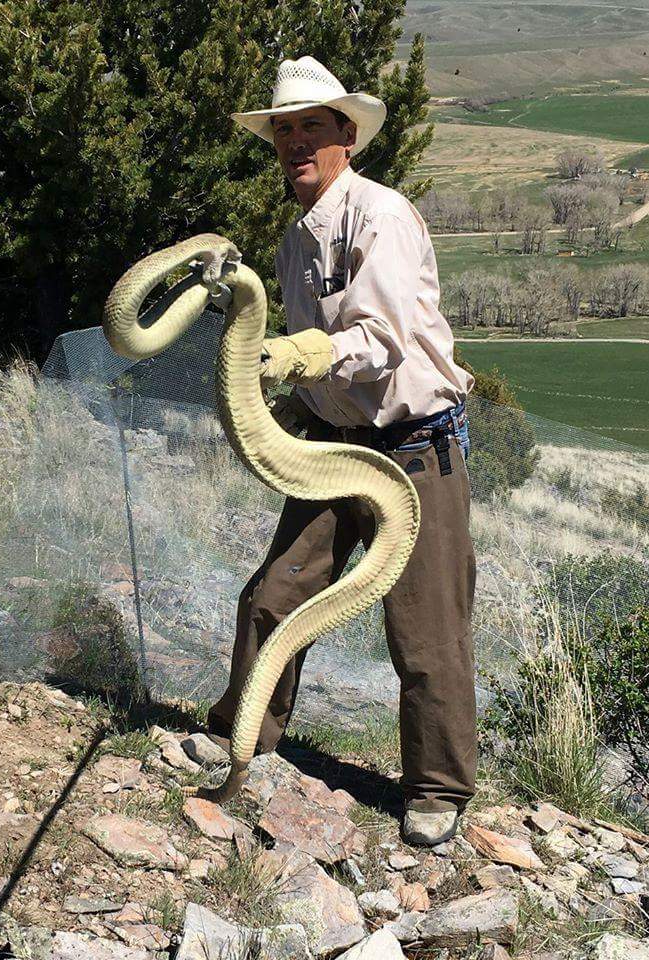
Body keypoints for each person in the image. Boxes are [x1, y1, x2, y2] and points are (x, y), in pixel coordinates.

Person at [206, 56, 477, 847]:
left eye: (311, 127)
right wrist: (283, 388)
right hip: (334, 444)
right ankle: (243, 733)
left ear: (346, 136)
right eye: (284, 130)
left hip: (415, 449)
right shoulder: (297, 237)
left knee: (424, 629)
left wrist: (304, 354)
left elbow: (382, 338)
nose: (295, 142)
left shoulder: (379, 215)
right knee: (273, 594)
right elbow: (317, 355)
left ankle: (435, 789)